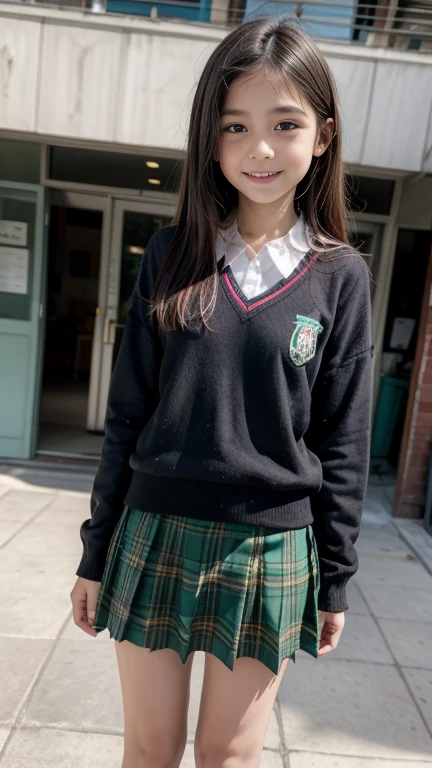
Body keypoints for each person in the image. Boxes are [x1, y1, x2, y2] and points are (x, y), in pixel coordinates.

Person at [70, 16, 374, 768]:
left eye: (285, 124)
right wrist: (94, 551)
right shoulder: (171, 254)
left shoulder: (341, 277)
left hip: (273, 547)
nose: (259, 148)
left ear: (323, 136)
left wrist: (335, 578)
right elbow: (126, 415)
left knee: (229, 756)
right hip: (153, 529)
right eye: (235, 125)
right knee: (150, 748)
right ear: (210, 139)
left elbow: (343, 441)